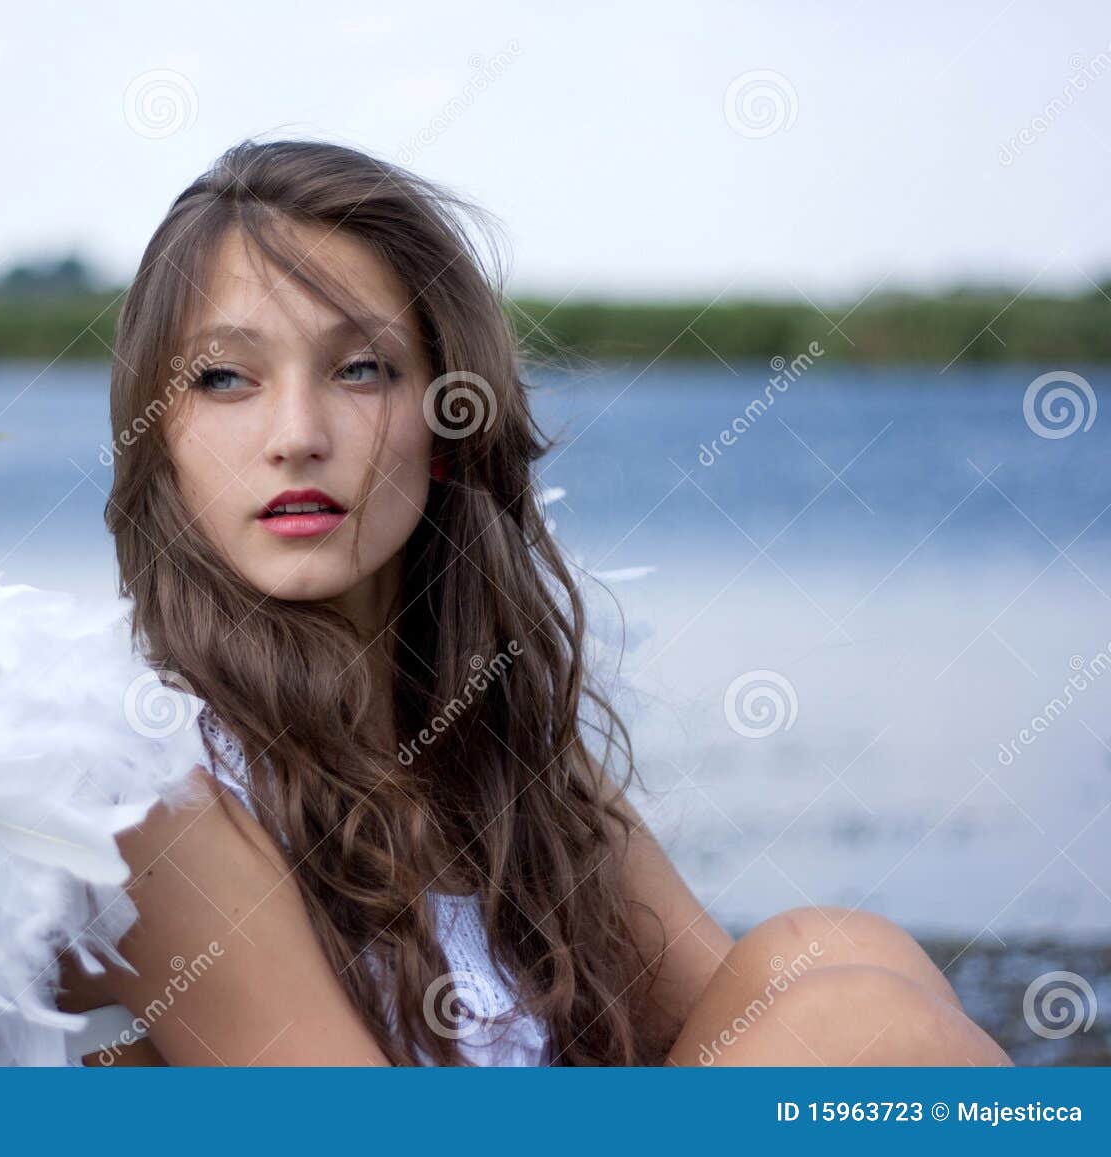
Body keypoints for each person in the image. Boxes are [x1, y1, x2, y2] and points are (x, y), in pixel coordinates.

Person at [60, 138, 1011, 1067]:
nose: (297, 435)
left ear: (446, 419)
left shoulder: (488, 728)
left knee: (836, 953)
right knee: (860, 1022)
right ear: (161, 437)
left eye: (362, 369)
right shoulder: (161, 787)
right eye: (224, 378)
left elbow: (723, 1028)